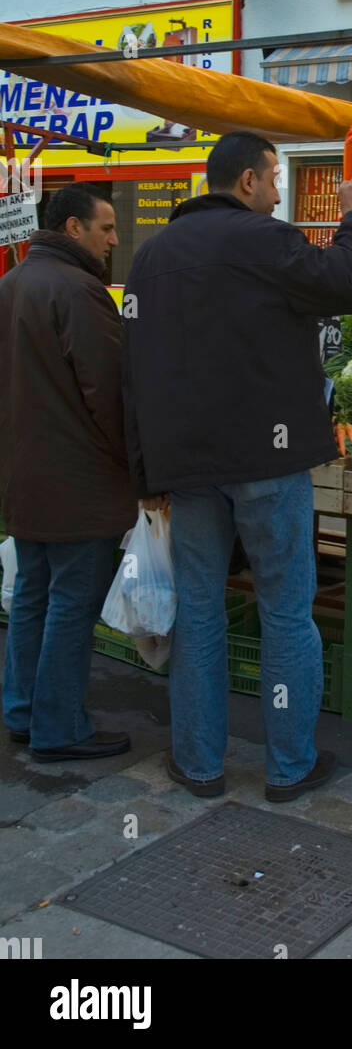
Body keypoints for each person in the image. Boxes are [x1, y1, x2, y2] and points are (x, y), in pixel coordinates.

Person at [122, 132, 352, 801]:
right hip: (267, 461)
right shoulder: (263, 240)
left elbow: (133, 374)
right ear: (244, 181)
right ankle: (288, 765)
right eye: (273, 178)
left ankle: (200, 764)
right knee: (286, 610)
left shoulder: (150, 258)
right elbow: (345, 283)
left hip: (185, 465)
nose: (277, 192)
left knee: (202, 609)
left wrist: (145, 472)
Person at [0, 184, 137, 760]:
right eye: (106, 228)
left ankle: (24, 711)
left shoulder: (11, 284)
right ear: (74, 228)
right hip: (77, 482)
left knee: (31, 595)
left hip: (23, 477)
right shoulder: (79, 290)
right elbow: (108, 394)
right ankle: (59, 728)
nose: (113, 240)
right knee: (70, 603)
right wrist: (138, 467)